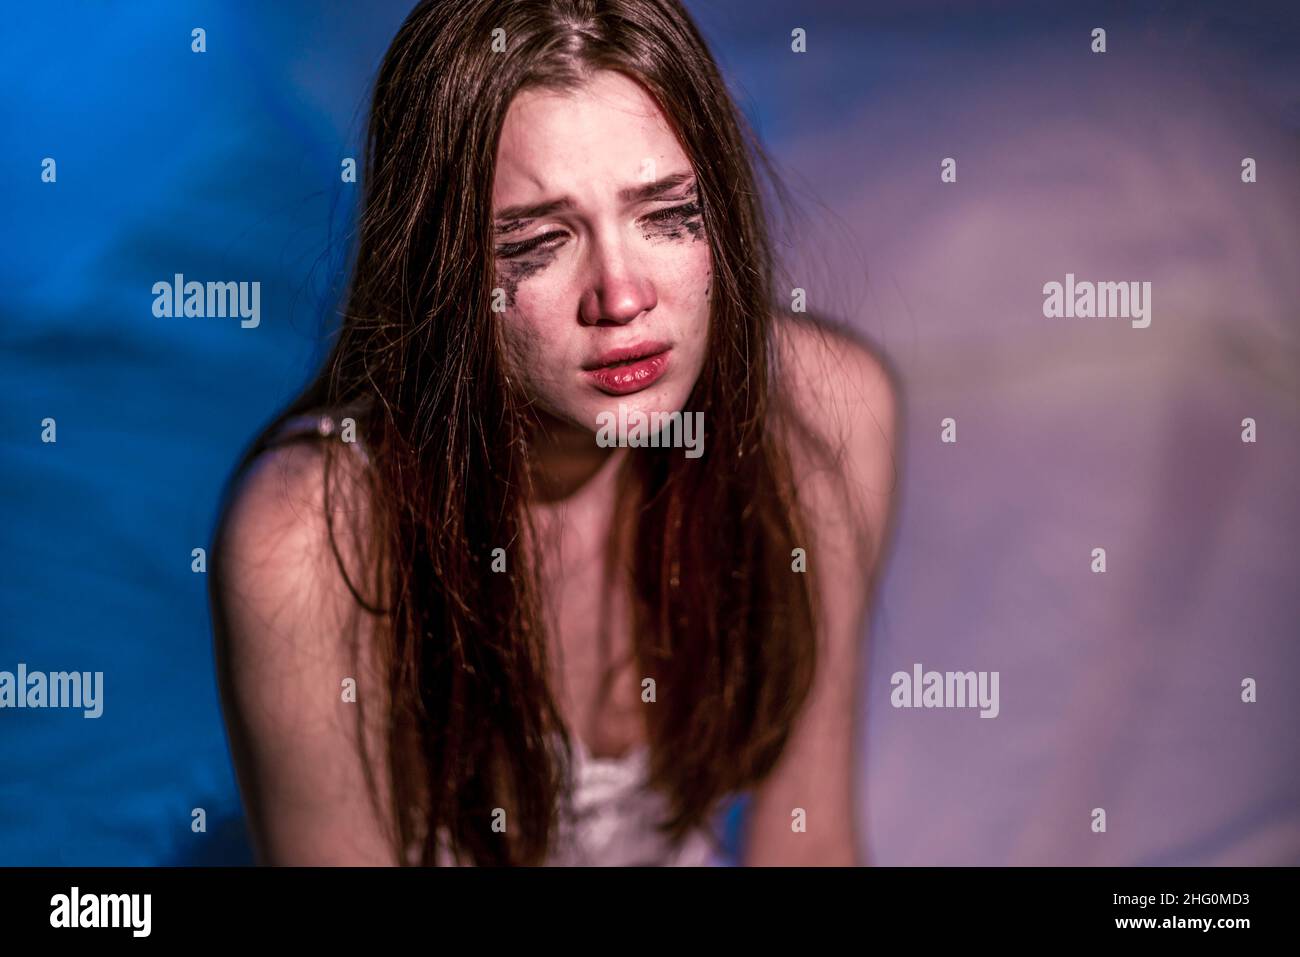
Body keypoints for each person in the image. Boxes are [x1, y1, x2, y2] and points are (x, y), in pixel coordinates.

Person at [208, 0, 899, 867]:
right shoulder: (310, 536)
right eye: (539, 241)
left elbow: (809, 841)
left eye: (666, 214)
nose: (621, 296)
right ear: (441, 270)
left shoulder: (824, 417)